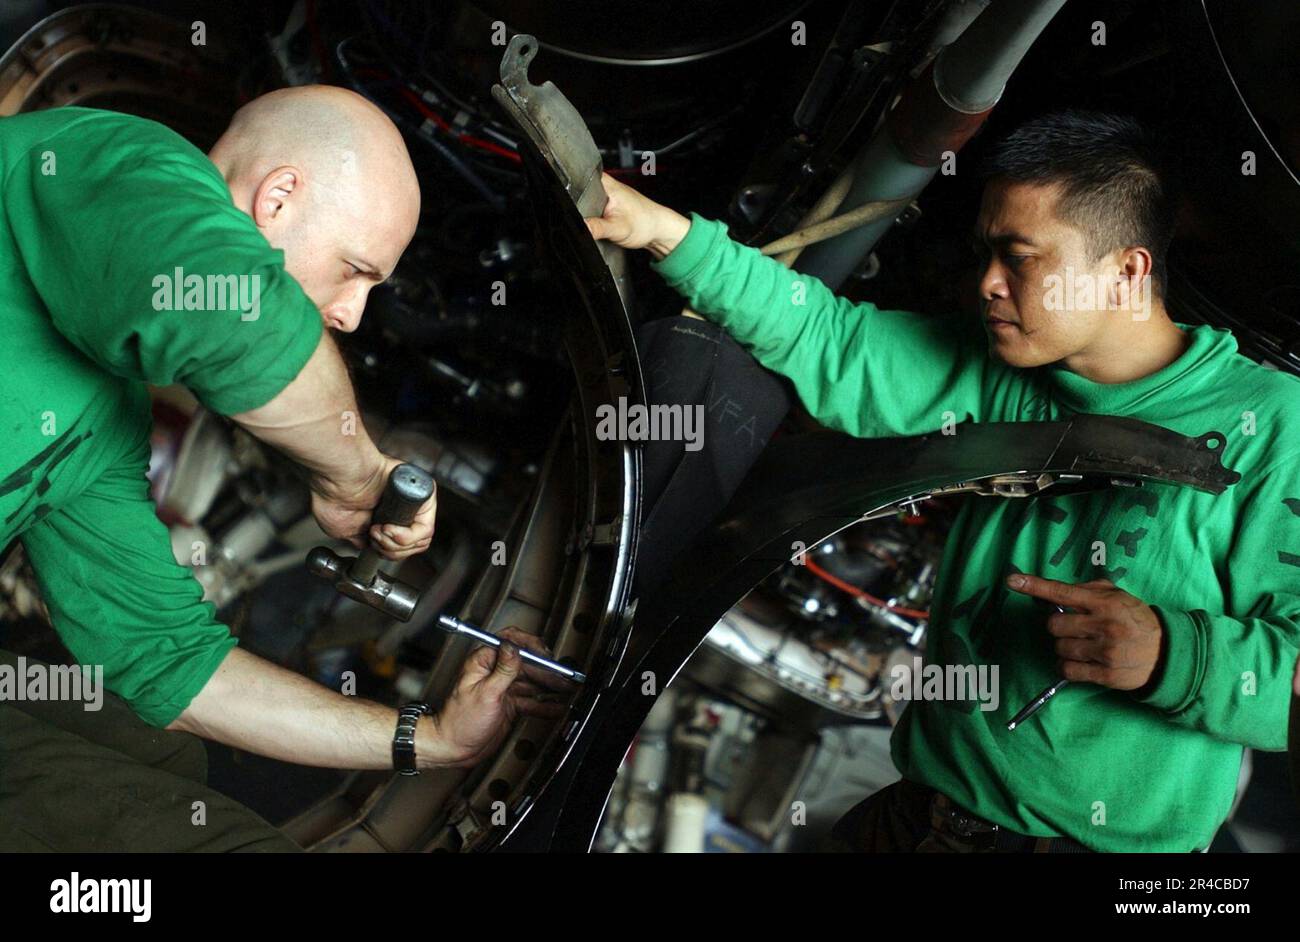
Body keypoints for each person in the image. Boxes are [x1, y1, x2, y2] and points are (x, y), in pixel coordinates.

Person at [586, 111, 1300, 852]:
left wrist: (1173, 656)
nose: (987, 283)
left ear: (1125, 272)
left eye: (1018, 258)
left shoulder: (1275, 425)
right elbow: (834, 341)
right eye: (986, 253)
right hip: (913, 824)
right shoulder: (999, 367)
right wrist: (661, 232)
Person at [0, 86, 564, 852]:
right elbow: (233, 317)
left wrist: (429, 740)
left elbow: (174, 666)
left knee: (160, 751)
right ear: (279, 197)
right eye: (355, 270)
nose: (353, 315)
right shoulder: (117, 163)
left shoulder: (102, 428)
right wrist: (358, 474)